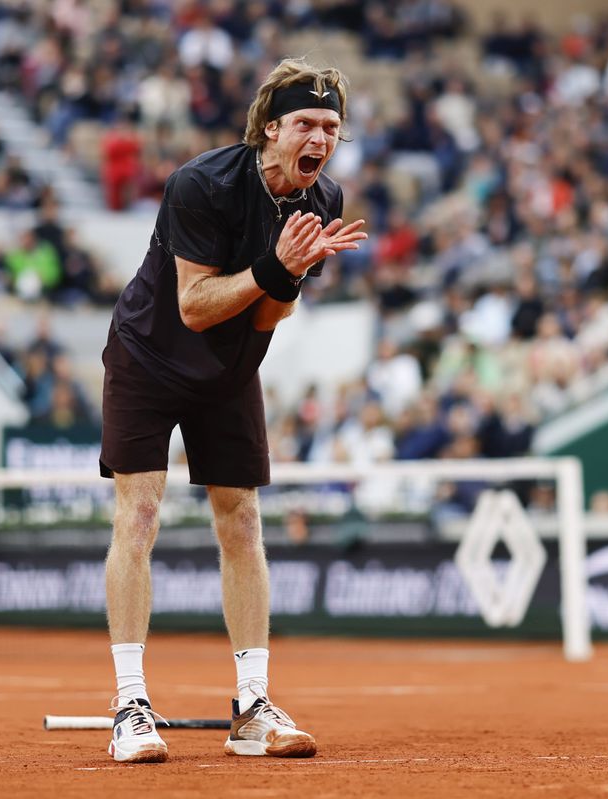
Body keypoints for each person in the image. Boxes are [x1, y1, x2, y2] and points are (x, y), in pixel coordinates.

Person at [98, 58, 366, 764]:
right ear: (270, 129)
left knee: (242, 519)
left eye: (331, 128)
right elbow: (193, 305)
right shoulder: (201, 183)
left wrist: (293, 272)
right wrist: (276, 268)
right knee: (141, 513)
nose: (320, 139)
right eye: (306, 124)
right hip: (149, 358)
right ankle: (129, 705)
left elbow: (268, 313)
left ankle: (252, 706)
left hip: (230, 368)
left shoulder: (321, 200)